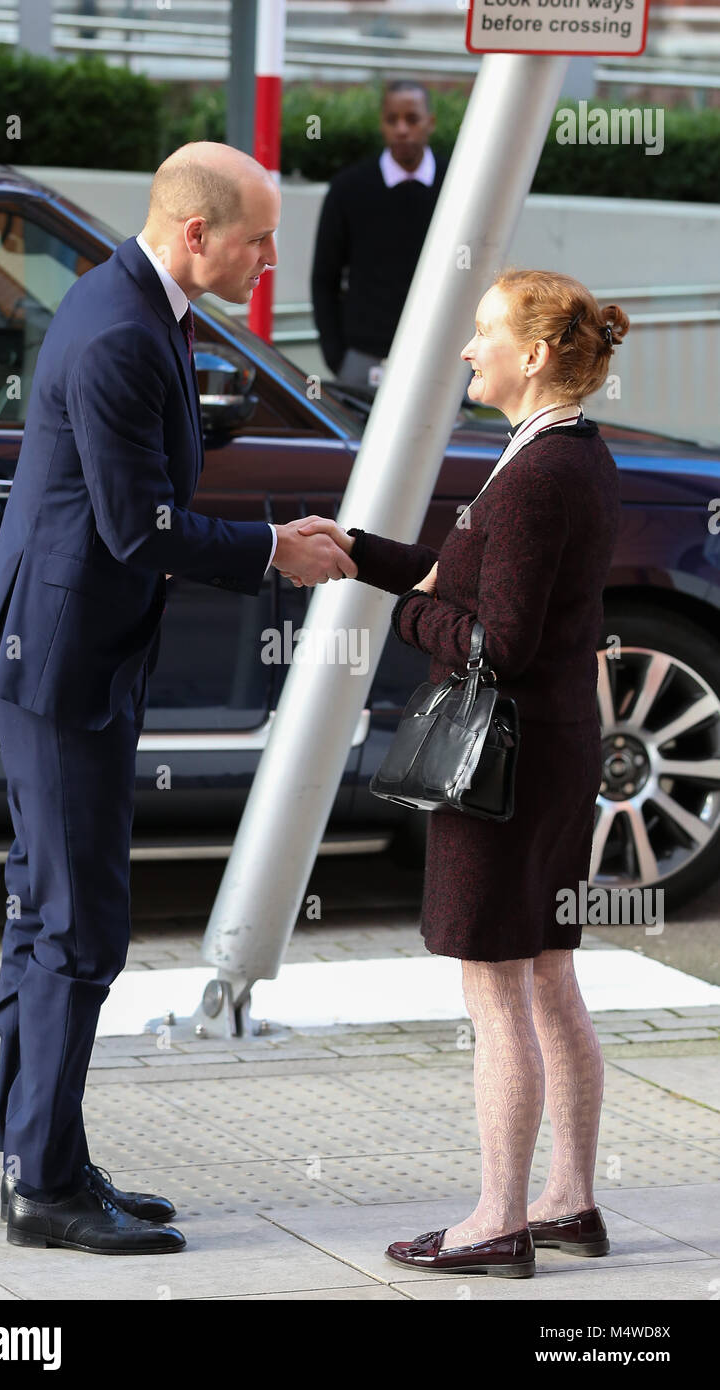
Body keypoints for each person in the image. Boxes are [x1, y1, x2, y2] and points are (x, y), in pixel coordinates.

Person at [0, 141, 357, 1256]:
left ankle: (41, 1155)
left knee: (50, 913)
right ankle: (43, 1184)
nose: (271, 258)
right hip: (60, 664)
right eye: (257, 238)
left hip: (70, 653)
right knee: (78, 925)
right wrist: (275, 549)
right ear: (197, 234)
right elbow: (143, 528)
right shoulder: (123, 332)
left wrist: (273, 532)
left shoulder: (140, 305)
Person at [297, 269, 628, 1277]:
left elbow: (503, 637)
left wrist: (401, 615)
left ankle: (497, 1218)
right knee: (552, 975)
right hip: (555, 750)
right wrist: (360, 555)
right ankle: (566, 1199)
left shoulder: (533, 477)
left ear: (532, 357)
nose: (465, 349)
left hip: (501, 764)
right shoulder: (571, 453)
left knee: (497, 992)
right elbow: (464, 577)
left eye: (483, 333)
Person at [310, 80, 449, 391]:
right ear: (382, 123)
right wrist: (338, 357)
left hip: (444, 358)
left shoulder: (457, 183)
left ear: (430, 122)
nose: (401, 129)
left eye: (412, 119)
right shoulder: (349, 188)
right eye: (392, 120)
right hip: (363, 360)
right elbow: (324, 278)